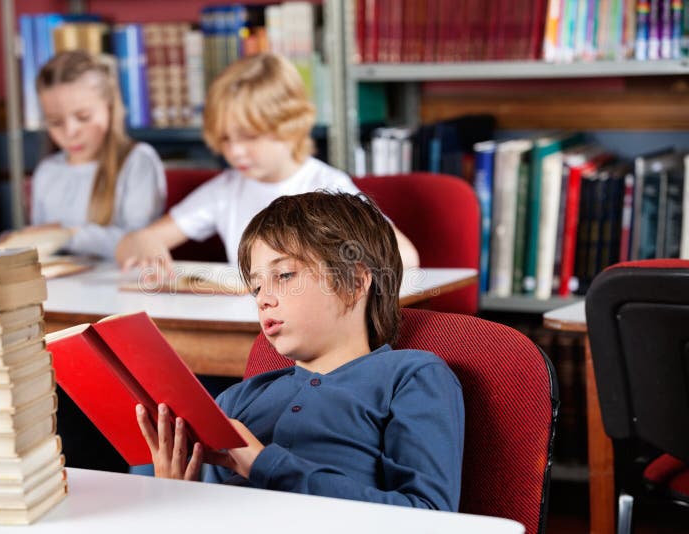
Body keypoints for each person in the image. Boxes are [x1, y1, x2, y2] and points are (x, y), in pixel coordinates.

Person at [135, 191, 464, 510]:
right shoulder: (236, 400)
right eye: (256, 286)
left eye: (284, 275)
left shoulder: (411, 376)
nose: (263, 298)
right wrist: (174, 493)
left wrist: (263, 464)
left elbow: (429, 516)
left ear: (356, 281)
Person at [115, 52, 418, 272]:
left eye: (249, 137)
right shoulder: (226, 190)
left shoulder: (329, 188)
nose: (235, 152)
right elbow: (136, 242)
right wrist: (144, 245)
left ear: (290, 126)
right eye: (225, 139)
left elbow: (404, 256)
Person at [25, 50, 167, 260]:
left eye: (83, 117)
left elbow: (140, 242)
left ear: (109, 108)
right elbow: (41, 245)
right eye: (55, 122)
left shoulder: (137, 161)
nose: (70, 132)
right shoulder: (47, 171)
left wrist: (67, 234)